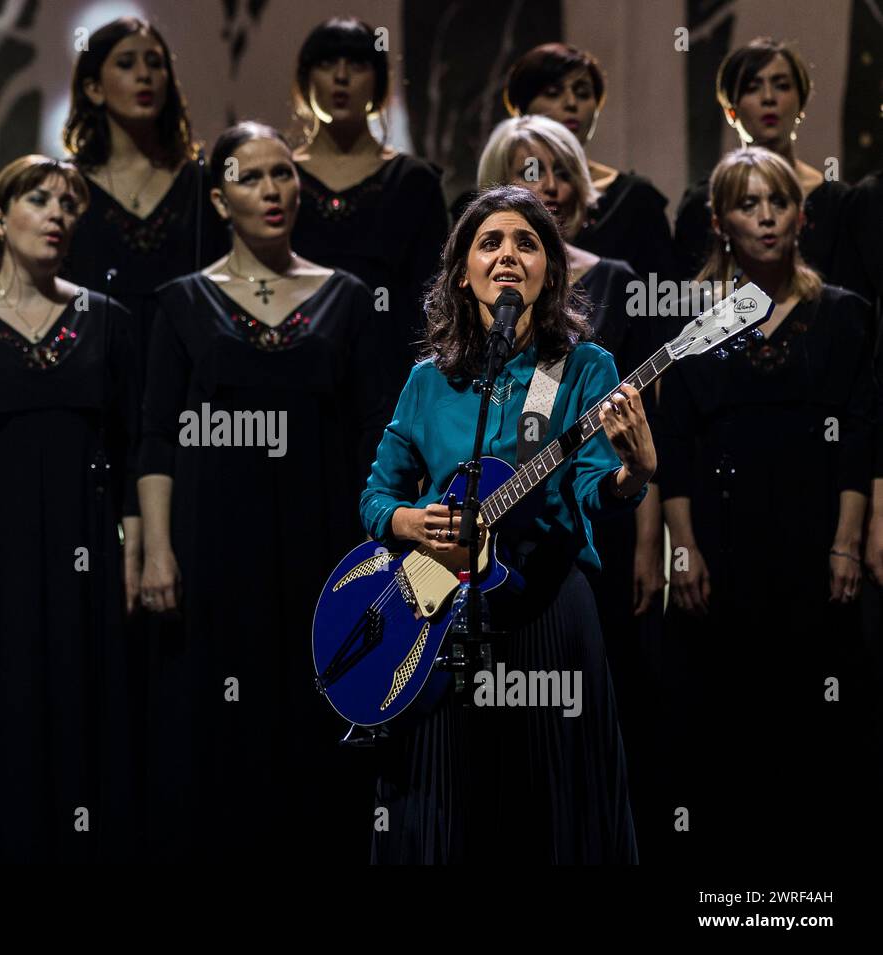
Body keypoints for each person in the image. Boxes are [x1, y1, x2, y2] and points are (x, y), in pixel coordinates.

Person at [361, 185, 655, 864]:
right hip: (438, 620)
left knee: (551, 815)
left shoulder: (580, 367)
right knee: (448, 812)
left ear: (550, 267)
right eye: (488, 241)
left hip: (547, 610)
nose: (507, 255)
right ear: (461, 269)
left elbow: (594, 489)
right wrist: (412, 520)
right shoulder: (427, 380)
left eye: (527, 242)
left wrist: (634, 473)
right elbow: (377, 498)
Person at [137, 122, 393, 862]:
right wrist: (157, 550)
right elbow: (155, 437)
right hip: (215, 546)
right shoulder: (182, 302)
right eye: (252, 178)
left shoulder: (346, 297)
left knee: (317, 716)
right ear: (219, 199)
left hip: (321, 541)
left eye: (284, 174)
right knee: (220, 723)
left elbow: (377, 432)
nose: (275, 191)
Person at [0, 156, 142, 863]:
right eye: (39, 199)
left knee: (79, 705)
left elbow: (132, 446)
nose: (58, 214)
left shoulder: (108, 320)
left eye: (70, 205)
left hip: (83, 541)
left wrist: (134, 547)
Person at [657, 147, 879, 862]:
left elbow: (860, 436)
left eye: (778, 202)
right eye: (750, 204)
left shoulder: (843, 315)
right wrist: (682, 549)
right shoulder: (696, 324)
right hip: (725, 543)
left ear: (802, 214)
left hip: (813, 539)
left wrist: (847, 541)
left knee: (818, 725)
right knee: (729, 728)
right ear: (721, 222)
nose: (766, 216)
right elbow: (677, 446)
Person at [477, 114, 673, 856]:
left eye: (561, 171)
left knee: (583, 726)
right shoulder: (469, 316)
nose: (549, 187)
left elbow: (633, 434)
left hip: (586, 519)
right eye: (529, 172)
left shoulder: (611, 285)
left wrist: (647, 525)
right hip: (492, 542)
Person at [288, 16, 448, 382]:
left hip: (389, 372)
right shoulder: (280, 177)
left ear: (377, 80)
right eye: (327, 64)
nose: (341, 77)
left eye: (357, 65)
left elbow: (434, 295)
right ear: (306, 78)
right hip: (294, 366)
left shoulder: (414, 181)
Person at [61, 16, 227, 348]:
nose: (144, 76)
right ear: (93, 88)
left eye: (155, 64)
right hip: (94, 364)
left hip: (185, 364)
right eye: (126, 64)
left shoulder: (200, 180)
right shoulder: (66, 185)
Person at [453, 43, 675, 285]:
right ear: (521, 107)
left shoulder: (634, 199)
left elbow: (662, 294)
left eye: (583, 93)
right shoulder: (477, 209)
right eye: (552, 92)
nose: (571, 103)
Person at [673, 38, 856, 291]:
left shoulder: (840, 202)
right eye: (752, 87)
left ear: (801, 103)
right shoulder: (702, 203)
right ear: (730, 109)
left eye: (782, 86)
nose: (768, 98)